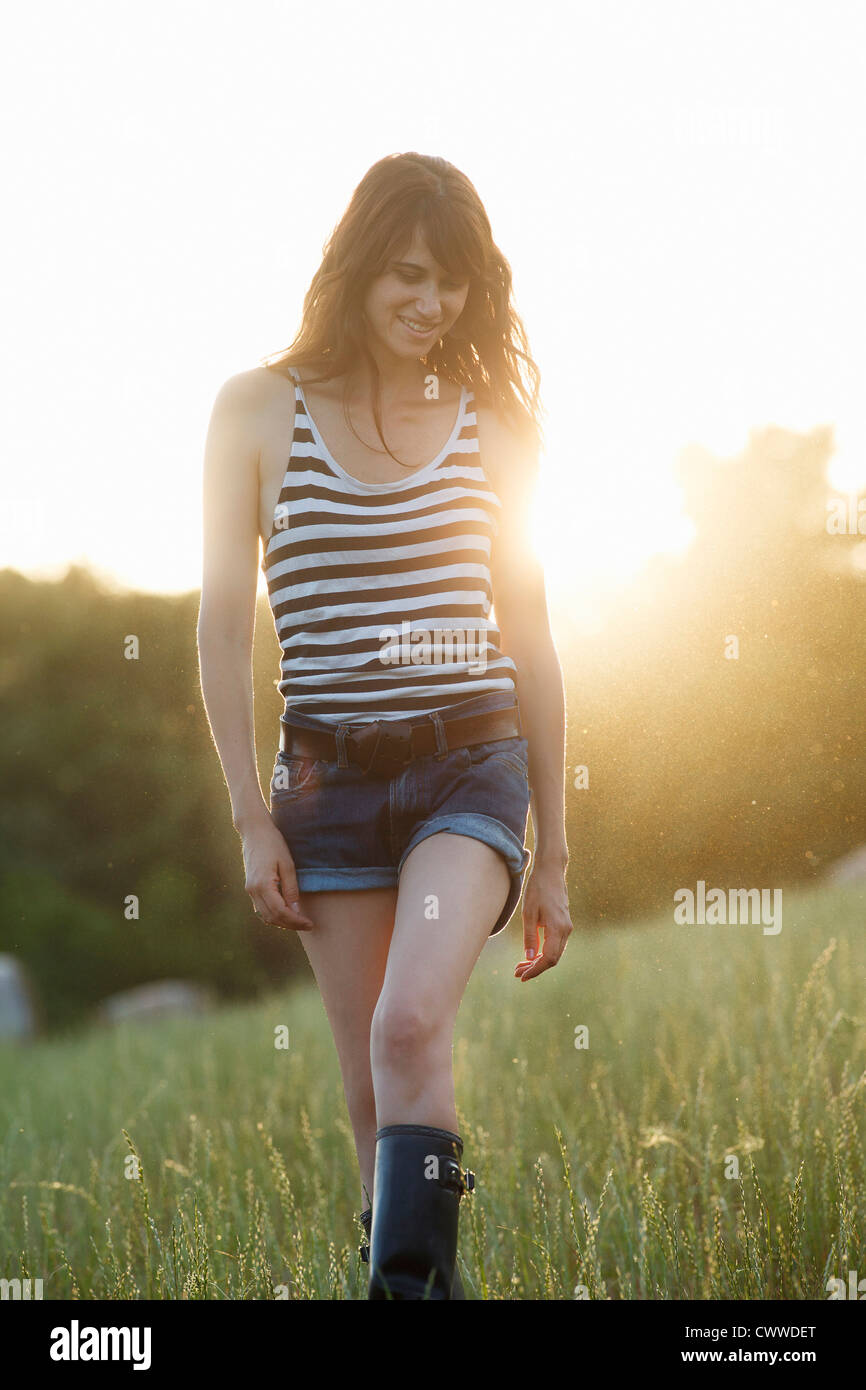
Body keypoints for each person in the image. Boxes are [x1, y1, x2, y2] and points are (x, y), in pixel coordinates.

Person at [197, 152, 573, 1300]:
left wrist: (553, 848)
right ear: (357, 266)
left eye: (454, 283)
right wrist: (252, 819)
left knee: (407, 1026)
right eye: (409, 274)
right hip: (325, 789)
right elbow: (221, 628)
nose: (431, 303)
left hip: (468, 766)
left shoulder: (491, 426)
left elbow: (534, 637)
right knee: (368, 1092)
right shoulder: (257, 410)